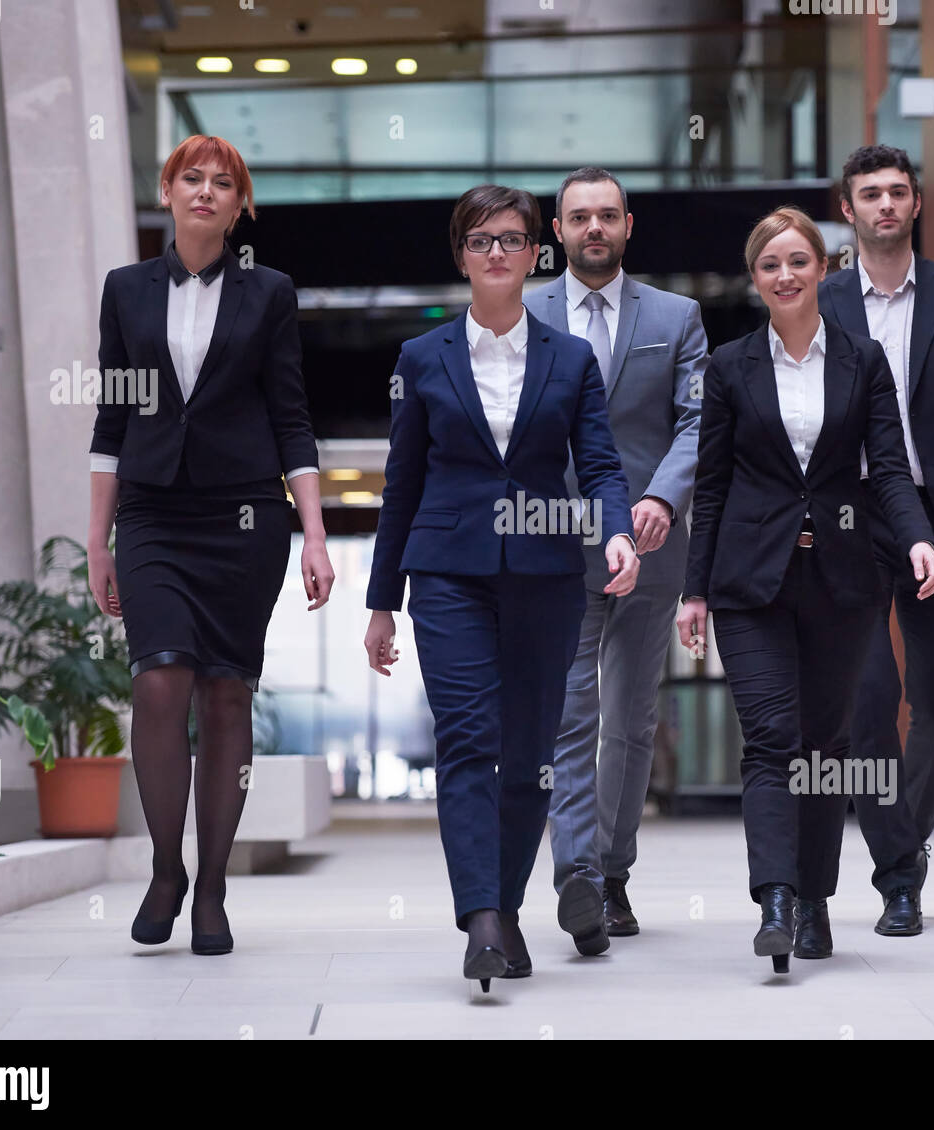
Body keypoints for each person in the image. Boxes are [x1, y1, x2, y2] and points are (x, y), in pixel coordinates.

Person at [364, 184, 639, 991]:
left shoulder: (571, 358)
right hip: (448, 574)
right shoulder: (423, 359)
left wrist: (615, 529)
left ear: (533, 254)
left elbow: (598, 462)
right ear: (462, 256)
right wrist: (382, 602)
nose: (496, 253)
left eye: (511, 240)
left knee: (528, 761)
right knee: (468, 743)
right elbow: (401, 484)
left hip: (547, 577)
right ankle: (480, 918)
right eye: (481, 241)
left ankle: (509, 908)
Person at [676, 206, 934, 973]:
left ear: (822, 269)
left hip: (843, 579)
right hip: (748, 582)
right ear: (754, 278)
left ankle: (817, 899)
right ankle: (776, 900)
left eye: (798, 261)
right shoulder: (729, 367)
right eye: (769, 265)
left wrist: (919, 537)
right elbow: (714, 485)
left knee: (827, 748)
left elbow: (888, 468)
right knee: (770, 741)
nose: (784, 275)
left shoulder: (862, 361)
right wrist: (694, 592)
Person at [88, 135, 334, 956]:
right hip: (153, 514)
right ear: (166, 190)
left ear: (240, 206)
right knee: (160, 682)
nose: (205, 191)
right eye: (190, 177)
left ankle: (215, 887)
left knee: (226, 693)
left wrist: (315, 534)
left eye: (222, 183)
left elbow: (292, 418)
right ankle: (167, 868)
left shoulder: (270, 293)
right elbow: (111, 422)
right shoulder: (125, 291)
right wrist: (98, 540)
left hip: (243, 518)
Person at [819, 145, 934, 937]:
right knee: (866, 706)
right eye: (871, 194)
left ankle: (908, 840)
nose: (886, 205)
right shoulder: (821, 300)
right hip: (853, 520)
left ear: (916, 204)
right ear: (848, 209)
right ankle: (898, 876)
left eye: (898, 192)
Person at [525, 167, 706, 952]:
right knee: (569, 714)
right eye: (578, 217)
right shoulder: (521, 311)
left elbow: (699, 422)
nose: (593, 228)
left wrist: (662, 499)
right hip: (554, 546)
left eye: (606, 216)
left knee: (631, 719)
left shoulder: (679, 315)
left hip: (653, 540)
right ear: (556, 232)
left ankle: (615, 871)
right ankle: (577, 879)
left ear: (628, 225)